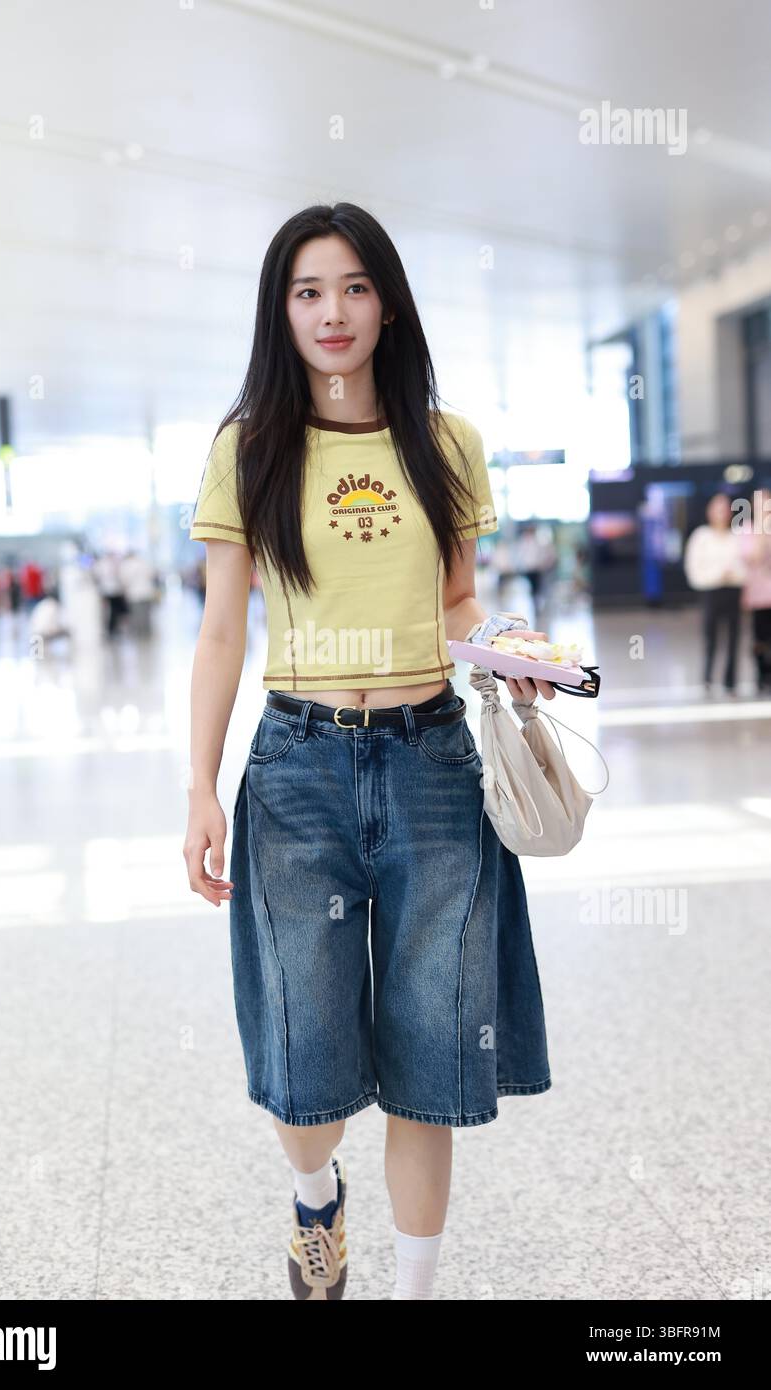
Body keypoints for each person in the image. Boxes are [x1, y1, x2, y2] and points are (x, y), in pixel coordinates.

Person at [182, 203, 557, 1302]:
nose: (331, 312)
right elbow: (218, 631)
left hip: (433, 764)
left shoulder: (444, 444)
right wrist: (198, 790)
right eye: (306, 291)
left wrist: (510, 648)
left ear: (385, 301)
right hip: (295, 769)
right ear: (280, 310)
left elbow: (455, 602)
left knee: (432, 1049)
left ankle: (410, 1290)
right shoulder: (245, 446)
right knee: (305, 1062)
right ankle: (314, 1206)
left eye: (352, 287)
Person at [684, 493, 746, 694]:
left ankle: (731, 681)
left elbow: (744, 566)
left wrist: (733, 575)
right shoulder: (701, 536)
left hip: (733, 590)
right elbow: (694, 568)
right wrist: (716, 575)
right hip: (711, 591)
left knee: (733, 637)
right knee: (711, 637)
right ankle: (708, 679)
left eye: (724, 509)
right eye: (717, 508)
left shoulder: (736, 536)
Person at [739, 489, 771, 693]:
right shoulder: (746, 530)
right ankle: (762, 674)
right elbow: (753, 557)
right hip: (758, 594)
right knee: (760, 637)